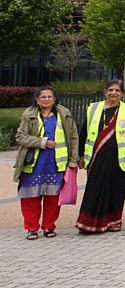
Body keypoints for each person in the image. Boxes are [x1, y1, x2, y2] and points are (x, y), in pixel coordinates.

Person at [15, 87, 80, 240]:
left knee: (53, 197)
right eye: (42, 97)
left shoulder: (64, 115)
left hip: (56, 163)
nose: (46, 99)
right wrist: (42, 142)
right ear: (37, 99)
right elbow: (20, 136)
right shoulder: (29, 115)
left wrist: (73, 160)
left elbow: (73, 138)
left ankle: (49, 226)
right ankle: (31, 228)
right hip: (33, 163)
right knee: (30, 196)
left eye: (49, 96)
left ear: (54, 99)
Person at [76, 79, 125, 234]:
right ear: (105, 91)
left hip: (118, 159)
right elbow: (84, 132)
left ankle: (113, 222)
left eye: (117, 90)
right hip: (96, 157)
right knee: (93, 188)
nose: (113, 93)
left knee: (116, 190)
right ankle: (88, 222)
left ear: (122, 93)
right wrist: (80, 155)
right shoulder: (94, 109)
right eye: (110, 90)